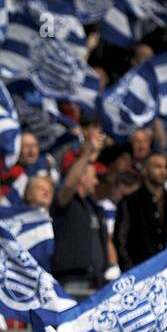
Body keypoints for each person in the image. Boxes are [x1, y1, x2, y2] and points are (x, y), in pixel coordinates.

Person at [51, 124, 114, 290]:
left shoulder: (95, 207)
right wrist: (87, 152)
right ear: (81, 178)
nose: (96, 181)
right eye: (93, 177)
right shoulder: (66, 202)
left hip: (98, 281)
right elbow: (69, 185)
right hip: (73, 279)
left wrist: (112, 266)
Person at [114, 150, 167, 271]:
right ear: (145, 170)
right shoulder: (130, 202)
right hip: (140, 273)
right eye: (158, 167)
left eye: (165, 167)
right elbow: (120, 240)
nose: (163, 171)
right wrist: (130, 271)